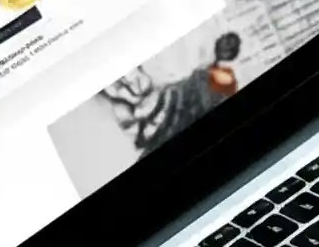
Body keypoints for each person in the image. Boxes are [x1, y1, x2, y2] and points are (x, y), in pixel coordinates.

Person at [99, 32, 243, 157]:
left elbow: (199, 100)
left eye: (228, 43)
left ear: (231, 53)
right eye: (225, 39)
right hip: (164, 106)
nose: (223, 42)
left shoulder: (221, 79)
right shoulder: (205, 67)